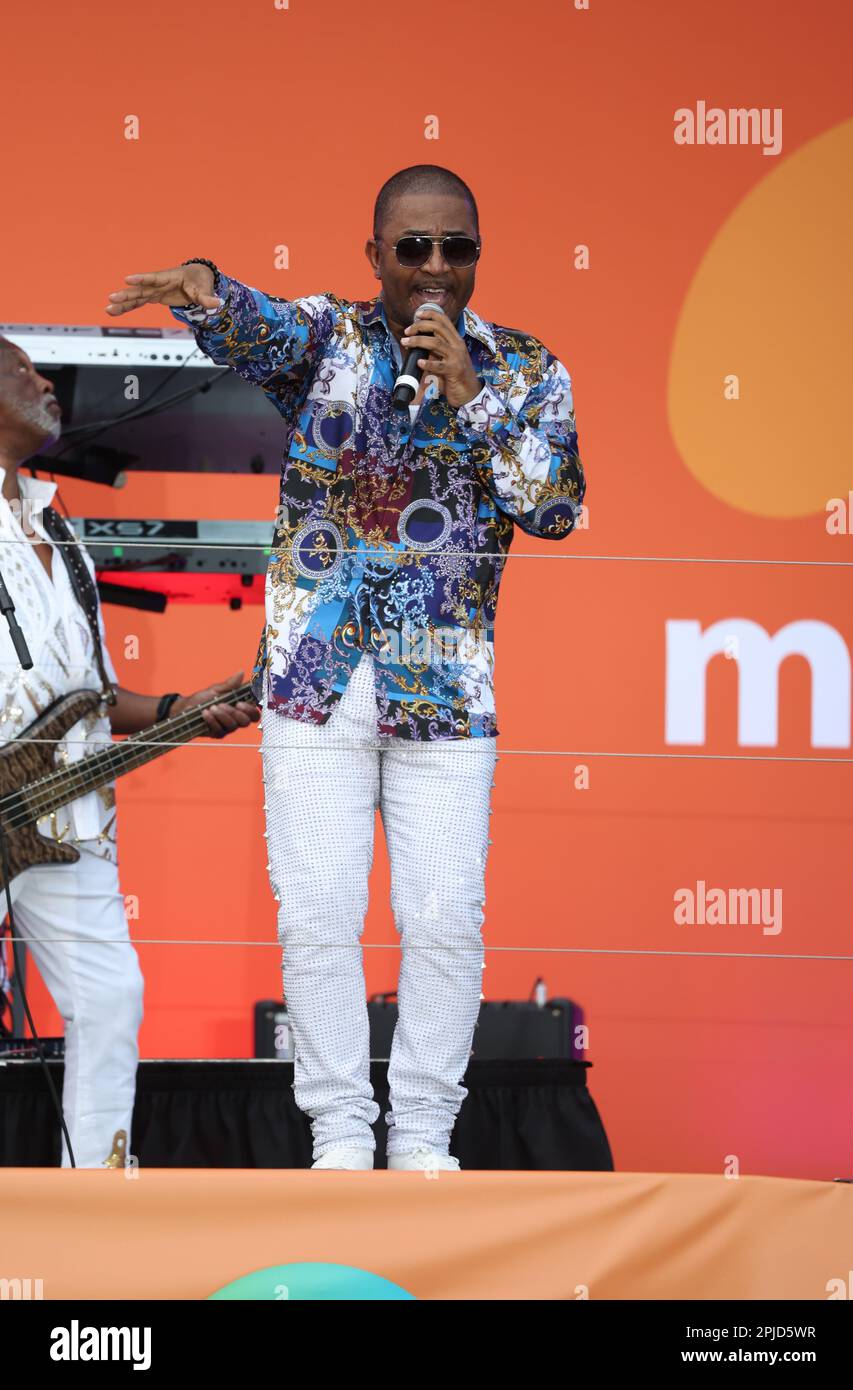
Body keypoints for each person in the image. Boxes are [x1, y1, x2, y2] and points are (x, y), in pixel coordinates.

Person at [105, 163, 586, 1171]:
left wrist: (470, 392)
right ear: (374, 256)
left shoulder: (527, 367)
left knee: (443, 917)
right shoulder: (328, 339)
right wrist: (203, 282)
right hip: (316, 684)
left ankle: (420, 1139)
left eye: (456, 247)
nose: (435, 268)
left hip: (445, 690)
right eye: (412, 248)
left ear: (476, 256)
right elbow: (255, 326)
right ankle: (336, 1135)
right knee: (318, 912)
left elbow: (552, 507)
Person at [0, 336, 261, 1167]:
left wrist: (188, 710)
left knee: (111, 999)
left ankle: (96, 1194)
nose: (45, 383)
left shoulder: (59, 526)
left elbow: (97, 694)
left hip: (62, 815)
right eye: (20, 371)